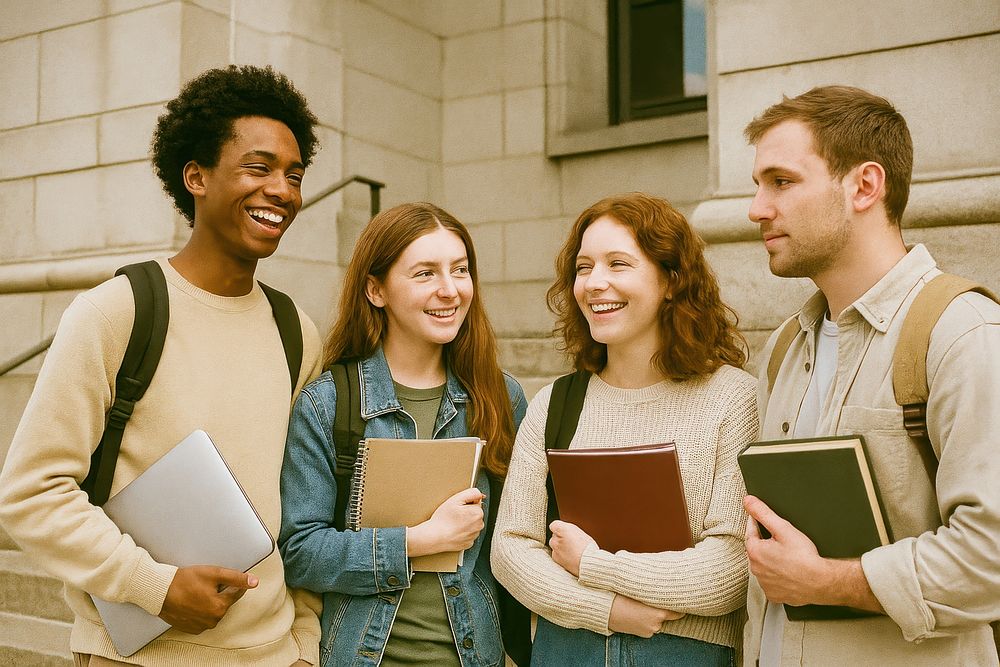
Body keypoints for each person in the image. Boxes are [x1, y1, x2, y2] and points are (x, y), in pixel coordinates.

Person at [0, 65, 323, 666]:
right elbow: (31, 493)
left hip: (276, 656)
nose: (282, 190)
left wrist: (304, 642)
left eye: (294, 175)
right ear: (195, 177)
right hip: (139, 656)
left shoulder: (295, 332)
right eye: (259, 169)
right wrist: (156, 587)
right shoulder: (115, 312)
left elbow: (308, 504)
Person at [742, 85, 1000, 666]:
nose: (757, 209)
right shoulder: (784, 346)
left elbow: (991, 558)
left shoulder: (964, 333)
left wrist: (826, 581)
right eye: (757, 186)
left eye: (781, 182)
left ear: (864, 185)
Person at [491, 192, 758, 666]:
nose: (595, 283)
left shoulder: (732, 398)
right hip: (565, 650)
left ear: (671, 280)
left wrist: (592, 563)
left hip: (685, 655)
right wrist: (608, 610)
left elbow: (730, 571)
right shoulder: (556, 403)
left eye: (618, 264)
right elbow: (511, 549)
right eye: (583, 267)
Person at [278, 202, 528, 667]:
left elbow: (517, 541)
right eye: (425, 274)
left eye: (460, 270)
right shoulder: (329, 404)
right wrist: (416, 540)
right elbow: (299, 552)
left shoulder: (500, 396)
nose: (450, 290)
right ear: (376, 290)